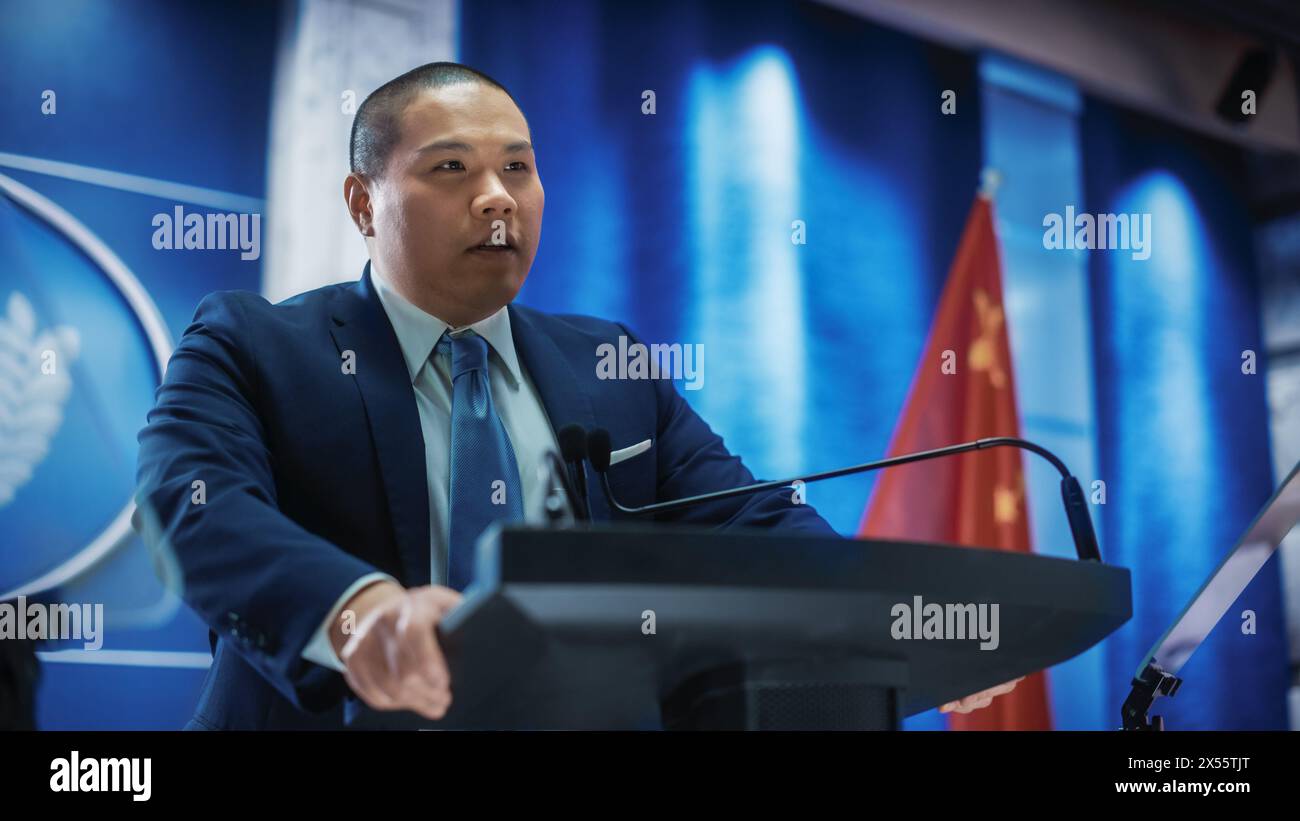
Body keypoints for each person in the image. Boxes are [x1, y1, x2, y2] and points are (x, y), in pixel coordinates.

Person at [134, 61, 1014, 730]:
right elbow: (186, 502)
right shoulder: (255, 343)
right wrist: (359, 612)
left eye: (517, 167)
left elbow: (756, 523)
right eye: (450, 169)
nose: (495, 198)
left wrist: (904, 620)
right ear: (364, 204)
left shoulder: (609, 364)